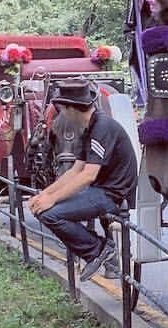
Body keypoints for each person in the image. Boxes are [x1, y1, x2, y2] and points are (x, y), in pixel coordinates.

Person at [27, 79, 139, 281]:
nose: (60, 113)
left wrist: (52, 201)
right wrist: (45, 194)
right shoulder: (90, 126)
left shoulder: (102, 127)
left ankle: (98, 250)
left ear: (70, 108)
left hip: (113, 194)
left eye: (61, 108)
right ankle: (99, 250)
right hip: (101, 189)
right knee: (45, 208)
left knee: (50, 214)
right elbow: (75, 169)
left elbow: (88, 175)